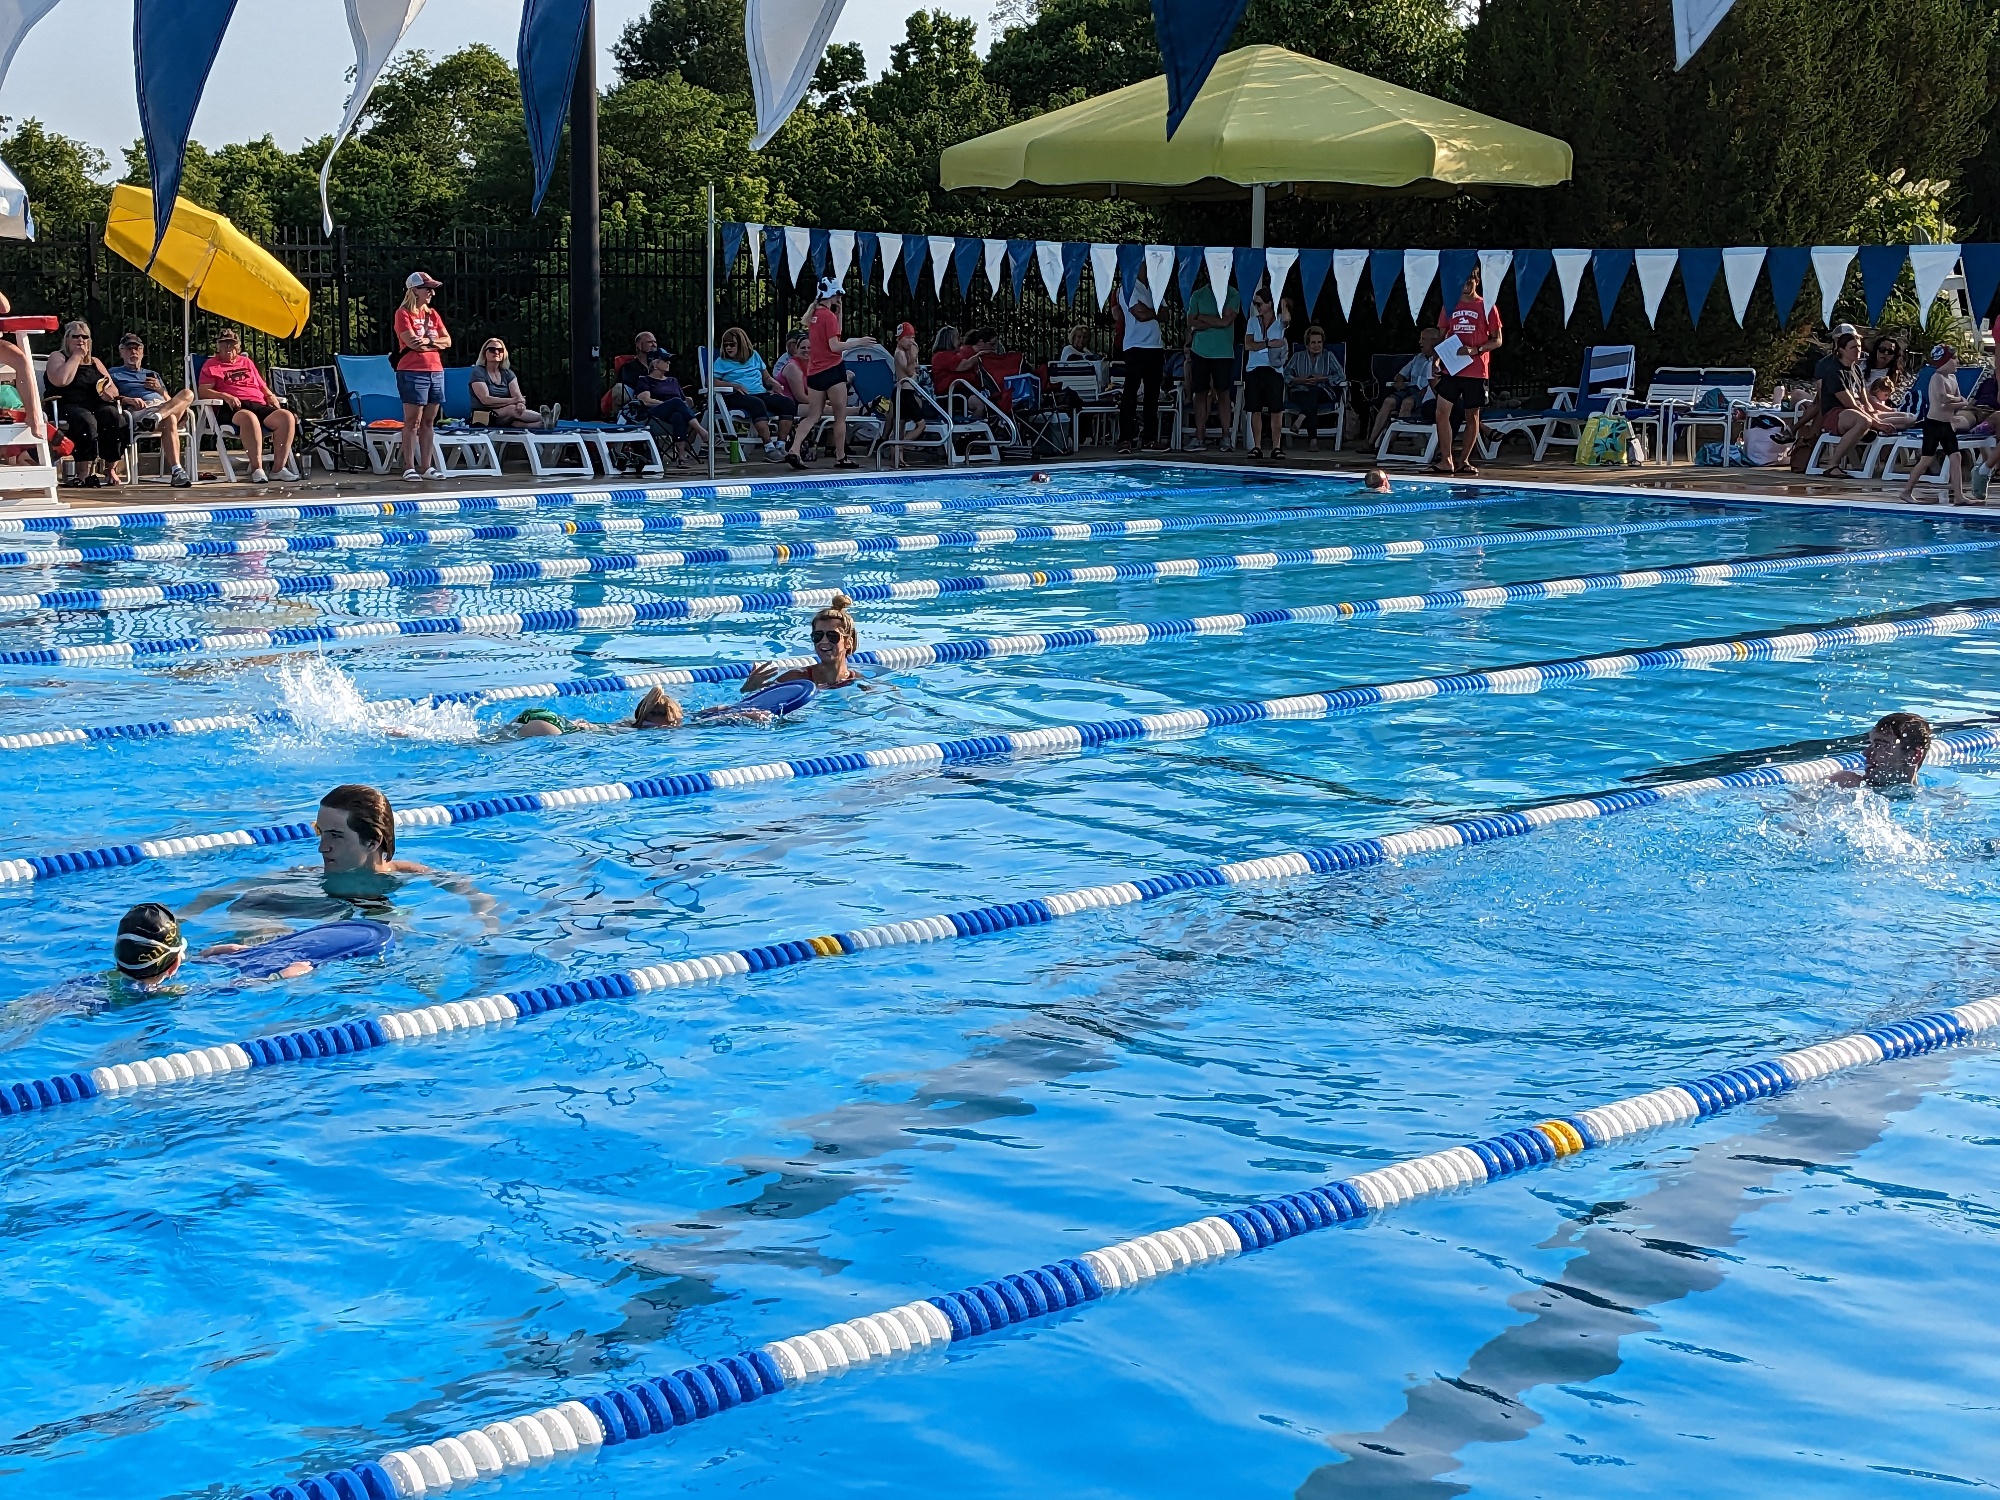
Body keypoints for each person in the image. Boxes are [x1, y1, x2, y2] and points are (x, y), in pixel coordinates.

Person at [786, 277, 879, 470]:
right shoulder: (827, 316)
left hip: (814, 373)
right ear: (833, 295)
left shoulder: (814, 315)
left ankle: (794, 449)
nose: (840, 298)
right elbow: (834, 346)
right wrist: (859, 342)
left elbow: (833, 333)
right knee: (840, 416)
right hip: (832, 371)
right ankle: (841, 457)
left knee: (813, 415)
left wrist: (840, 311)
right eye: (839, 295)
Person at [197, 327, 298, 484]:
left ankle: (278, 469)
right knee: (249, 418)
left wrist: (270, 395)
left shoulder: (246, 362)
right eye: (223, 344)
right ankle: (257, 469)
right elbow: (203, 391)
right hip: (232, 407)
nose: (227, 347)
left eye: (231, 343)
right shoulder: (211, 365)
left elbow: (261, 384)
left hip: (258, 403)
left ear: (238, 347)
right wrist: (225, 396)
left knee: (287, 417)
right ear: (217, 346)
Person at [1432, 267, 1501, 476]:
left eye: (1470, 280)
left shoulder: (1487, 306)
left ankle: (1464, 461)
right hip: (1452, 368)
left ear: (1477, 282)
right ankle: (1446, 459)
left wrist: (1477, 349)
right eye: (1462, 281)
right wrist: (1436, 360)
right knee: (1441, 412)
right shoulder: (1450, 305)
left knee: (1472, 416)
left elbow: (1497, 340)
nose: (1466, 286)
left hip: (1476, 370)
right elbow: (1442, 336)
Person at [45, 321, 127, 486]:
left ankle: (110, 468)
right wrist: (76, 357)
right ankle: (84, 473)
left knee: (114, 418)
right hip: (68, 403)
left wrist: (107, 393)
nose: (81, 340)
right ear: (67, 339)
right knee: (86, 421)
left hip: (96, 404)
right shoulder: (58, 356)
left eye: (85, 337)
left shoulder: (95, 362)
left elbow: (113, 389)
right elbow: (61, 380)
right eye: (76, 336)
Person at [107, 333, 194, 485]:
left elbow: (170, 401)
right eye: (129, 349)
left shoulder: (152, 374)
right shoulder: (114, 373)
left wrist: (161, 391)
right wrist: (128, 399)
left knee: (188, 393)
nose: (133, 352)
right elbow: (109, 397)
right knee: (171, 418)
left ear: (143, 352)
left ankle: (157, 418)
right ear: (121, 351)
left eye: (137, 348)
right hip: (140, 410)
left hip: (160, 408)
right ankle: (177, 471)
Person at [392, 270, 451, 481]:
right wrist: (433, 344)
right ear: (414, 291)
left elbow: (448, 341)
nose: (432, 293)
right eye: (428, 289)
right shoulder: (403, 314)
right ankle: (409, 466)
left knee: (429, 421)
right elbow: (411, 342)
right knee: (412, 421)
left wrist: (427, 343)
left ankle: (426, 467)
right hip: (412, 371)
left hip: (435, 371)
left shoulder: (432, 314)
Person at [743, 592, 865, 694]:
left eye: (832, 636)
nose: (823, 641)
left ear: (848, 642)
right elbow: (757, 701)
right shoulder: (797, 678)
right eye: (818, 635)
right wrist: (749, 689)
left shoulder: (857, 681)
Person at [1815, 331, 1895, 478]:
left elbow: (1864, 397)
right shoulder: (1835, 372)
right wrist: (1876, 423)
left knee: (1901, 419)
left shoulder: (1856, 369)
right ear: (1841, 350)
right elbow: (1850, 404)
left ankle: (1866, 432)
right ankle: (1832, 465)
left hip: (1855, 410)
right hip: (1836, 414)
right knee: (1863, 420)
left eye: (1859, 347)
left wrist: (1875, 414)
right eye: (1853, 347)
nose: (1858, 350)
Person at [712, 326, 798, 459]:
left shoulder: (754, 356)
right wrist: (732, 385)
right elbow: (711, 382)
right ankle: (769, 448)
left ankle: (781, 445)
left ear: (742, 344)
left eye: (732, 344)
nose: (728, 348)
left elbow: (767, 377)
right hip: (736, 396)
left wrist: (774, 384)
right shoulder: (721, 362)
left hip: (760, 393)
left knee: (787, 404)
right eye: (726, 345)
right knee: (757, 404)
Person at [1899, 344, 1969, 505]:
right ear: (1944, 362)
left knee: (1956, 456)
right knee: (1926, 459)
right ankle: (1906, 491)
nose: (1957, 362)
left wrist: (1957, 401)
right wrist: (1959, 402)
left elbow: (1954, 399)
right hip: (1933, 425)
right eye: (1953, 359)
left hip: (1946, 425)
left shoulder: (1952, 378)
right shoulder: (1937, 378)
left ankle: (1959, 496)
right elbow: (1944, 400)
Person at [1184, 277, 1240, 449]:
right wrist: (1216, 320)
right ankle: (1199, 436)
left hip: (1223, 353)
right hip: (1200, 351)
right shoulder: (1198, 294)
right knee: (1200, 394)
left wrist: (1202, 318)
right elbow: (1190, 322)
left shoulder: (1232, 293)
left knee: (1223, 394)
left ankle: (1226, 437)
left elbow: (1226, 321)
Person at [1116, 263, 1164, 455]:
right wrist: (1155, 312)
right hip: (1135, 346)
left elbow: (1165, 314)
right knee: (1130, 394)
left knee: (1152, 396)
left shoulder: (1155, 287)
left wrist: (1149, 311)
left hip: (1155, 346)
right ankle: (1125, 438)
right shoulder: (1127, 287)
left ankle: (1149, 439)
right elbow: (1139, 314)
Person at [622, 349, 706, 456]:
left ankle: (681, 455)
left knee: (678, 415)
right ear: (655, 363)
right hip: (653, 416)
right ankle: (701, 431)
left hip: (671, 417)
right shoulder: (644, 381)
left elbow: (684, 401)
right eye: (666, 360)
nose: (669, 362)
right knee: (676, 402)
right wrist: (669, 404)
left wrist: (685, 404)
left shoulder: (673, 381)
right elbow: (645, 401)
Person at [1371, 327, 1441, 447]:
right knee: (1388, 402)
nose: (1420, 342)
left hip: (1424, 393)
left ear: (1434, 341)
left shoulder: (1440, 360)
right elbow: (1401, 374)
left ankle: (1388, 444)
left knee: (1407, 403)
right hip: (1410, 389)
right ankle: (1371, 442)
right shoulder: (1418, 358)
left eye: (1423, 339)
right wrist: (1399, 381)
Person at [1241, 283, 1288, 460]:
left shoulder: (1279, 322)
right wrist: (1268, 344)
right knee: (1255, 408)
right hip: (1254, 369)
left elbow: (1288, 318)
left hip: (1274, 369)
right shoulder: (1253, 322)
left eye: (1259, 304)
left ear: (1270, 304)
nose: (1256, 307)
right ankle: (1257, 446)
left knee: (1277, 409)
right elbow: (1248, 344)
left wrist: (1282, 302)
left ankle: (1276, 446)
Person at [1830, 712, 1933, 792]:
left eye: (1880, 745)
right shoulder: (1845, 783)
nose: (1866, 752)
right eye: (1870, 744)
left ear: (1914, 756)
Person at [1284, 324, 1345, 451]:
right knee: (1310, 401)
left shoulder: (1328, 356)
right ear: (1307, 344)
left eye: (1319, 342)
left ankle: (1301, 419)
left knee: (1314, 392)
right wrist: (1300, 380)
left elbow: (1341, 375)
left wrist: (1322, 378)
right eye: (1313, 342)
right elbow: (1285, 375)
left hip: (1323, 391)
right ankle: (1313, 441)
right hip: (1300, 390)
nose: (1317, 345)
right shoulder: (1298, 356)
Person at [468, 338, 545, 429]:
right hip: (481, 416)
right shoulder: (478, 372)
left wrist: (520, 404)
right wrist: (513, 401)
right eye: (492, 350)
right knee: (512, 409)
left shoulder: (508, 374)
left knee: (516, 418)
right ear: (485, 353)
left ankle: (542, 424)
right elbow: (485, 400)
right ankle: (546, 417)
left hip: (503, 416)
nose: (496, 352)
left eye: (500, 350)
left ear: (504, 354)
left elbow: (518, 397)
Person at [772, 330, 810, 406]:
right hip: (790, 404)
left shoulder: (809, 364)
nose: (807, 350)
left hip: (803, 401)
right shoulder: (791, 366)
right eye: (802, 347)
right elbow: (800, 397)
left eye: (809, 347)